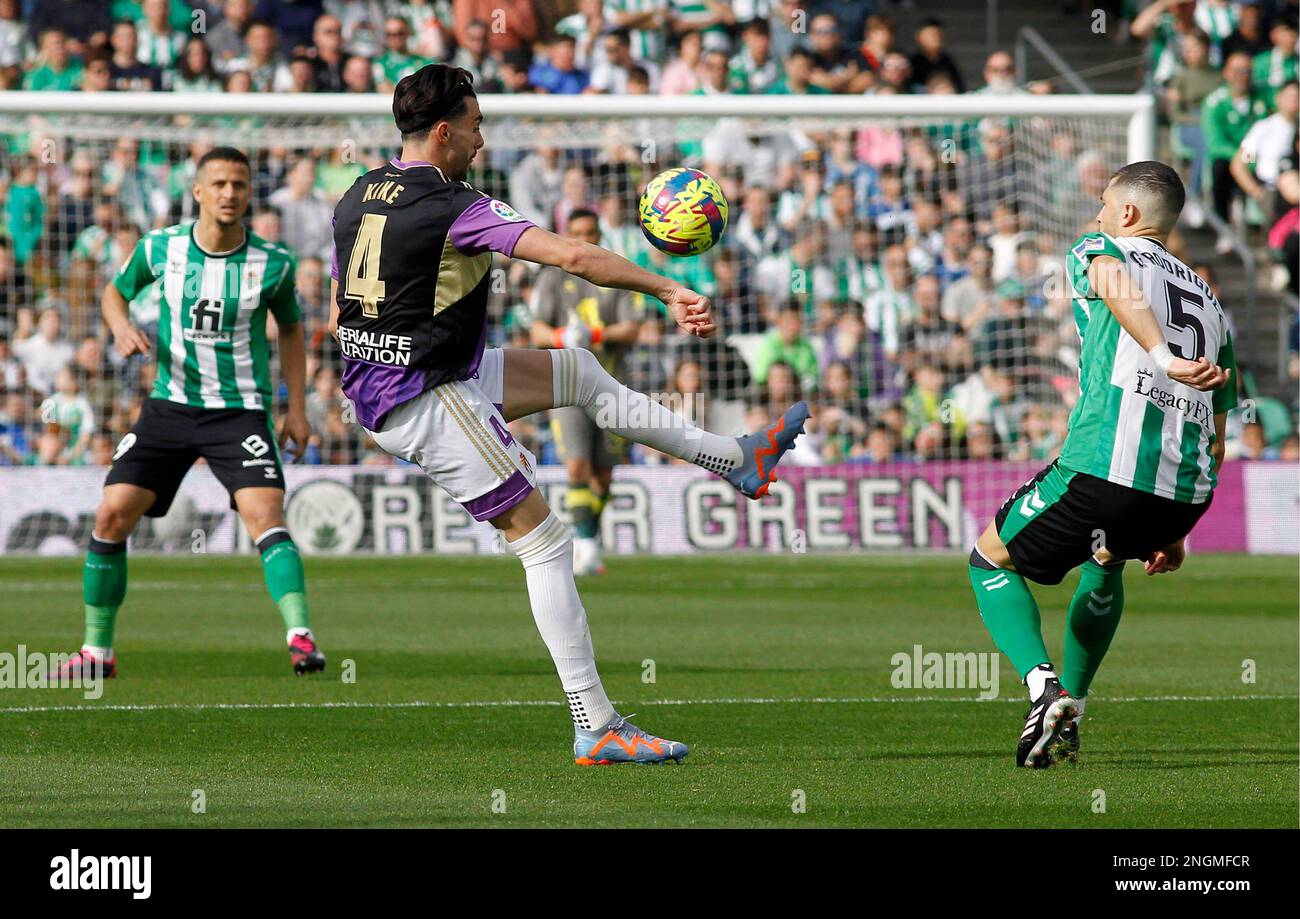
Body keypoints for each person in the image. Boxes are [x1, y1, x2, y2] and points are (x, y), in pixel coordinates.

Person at [328, 64, 808, 766]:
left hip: (392, 376)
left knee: (577, 371)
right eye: (473, 124)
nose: (481, 138)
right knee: (547, 542)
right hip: (421, 394)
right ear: (442, 131)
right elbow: (574, 256)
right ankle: (597, 721)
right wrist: (667, 286)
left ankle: (736, 458)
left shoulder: (357, 191)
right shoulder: (452, 204)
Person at [968, 162, 1235, 768]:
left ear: (1129, 215)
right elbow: (1219, 433)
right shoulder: (1212, 303)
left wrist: (1162, 356)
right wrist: (1178, 531)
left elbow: (1113, 278)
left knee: (989, 559)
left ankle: (1044, 690)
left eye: (1103, 205)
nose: (1096, 216)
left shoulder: (1101, 248)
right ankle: (1073, 711)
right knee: (1107, 555)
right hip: (1185, 491)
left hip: (1103, 468)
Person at [50, 147, 323, 682]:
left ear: (248, 194)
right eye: (218, 183)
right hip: (169, 407)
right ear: (197, 191)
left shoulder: (274, 263)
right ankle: (97, 653)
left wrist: (296, 408)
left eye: (239, 185)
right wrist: (119, 327)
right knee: (110, 515)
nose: (229, 193)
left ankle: (301, 637)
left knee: (266, 515)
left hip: (240, 412)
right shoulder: (163, 247)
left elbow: (291, 330)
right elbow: (114, 292)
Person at [528, 208, 643, 576]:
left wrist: (594, 336)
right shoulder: (551, 276)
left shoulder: (616, 272)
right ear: (567, 234)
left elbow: (632, 329)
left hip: (612, 386)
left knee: (604, 474)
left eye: (592, 232)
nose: (586, 238)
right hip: (566, 389)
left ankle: (585, 537)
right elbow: (537, 331)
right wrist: (563, 338)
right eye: (578, 232)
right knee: (577, 465)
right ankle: (586, 546)